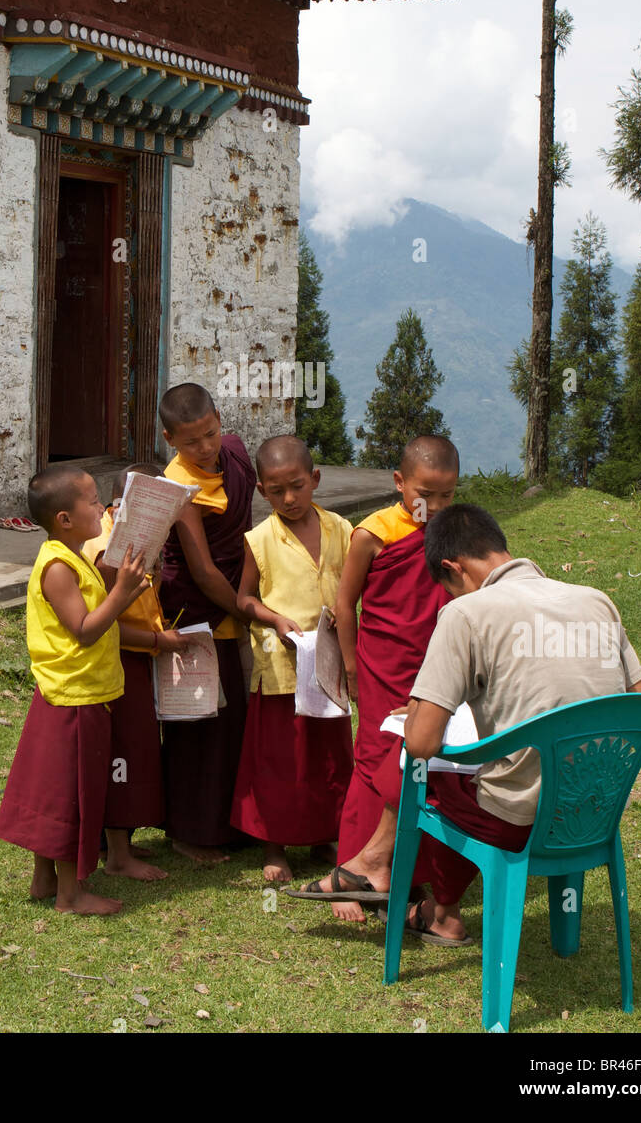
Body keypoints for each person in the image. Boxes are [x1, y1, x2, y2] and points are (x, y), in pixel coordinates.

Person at [290, 504, 641, 946]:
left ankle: (395, 880)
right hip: (597, 811)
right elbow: (639, 701)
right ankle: (421, 900)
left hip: (522, 823)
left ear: (451, 568)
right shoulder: (596, 600)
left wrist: (422, 714)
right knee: (471, 768)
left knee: (417, 769)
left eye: (448, 589)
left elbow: (421, 744)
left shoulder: (468, 613)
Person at [0, 465, 148, 915]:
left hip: (74, 693)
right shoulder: (59, 567)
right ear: (64, 518)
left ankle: (44, 879)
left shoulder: (74, 555)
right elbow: (82, 630)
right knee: (70, 796)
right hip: (73, 696)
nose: (101, 506)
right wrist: (122, 594)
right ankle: (70, 895)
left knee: (56, 789)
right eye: (93, 500)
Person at [326, 436, 459, 920]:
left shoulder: (455, 532)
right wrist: (351, 667)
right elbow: (345, 604)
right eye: (426, 493)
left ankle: (405, 874)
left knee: (425, 765)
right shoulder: (374, 532)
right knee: (374, 761)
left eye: (447, 495)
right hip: (382, 664)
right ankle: (350, 870)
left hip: (436, 667)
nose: (436, 506)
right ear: (400, 482)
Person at [229, 435, 355, 883]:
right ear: (262, 491)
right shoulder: (260, 539)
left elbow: (355, 591)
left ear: (315, 479)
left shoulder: (342, 529)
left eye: (298, 486)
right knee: (280, 759)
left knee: (330, 756)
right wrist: (274, 619)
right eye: (277, 490)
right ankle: (275, 843)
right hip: (281, 666)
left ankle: (325, 835)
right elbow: (243, 599)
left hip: (328, 664)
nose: (289, 498)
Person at [157, 382, 256, 863]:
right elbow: (201, 568)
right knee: (198, 720)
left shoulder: (235, 454)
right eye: (191, 441)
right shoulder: (177, 485)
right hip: (195, 606)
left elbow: (247, 528)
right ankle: (189, 832)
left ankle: (231, 822)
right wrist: (248, 609)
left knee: (234, 718)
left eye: (211, 434)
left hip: (237, 589)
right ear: (169, 439)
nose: (205, 447)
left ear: (220, 421)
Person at [83, 463, 191, 883]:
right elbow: (104, 621)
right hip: (118, 663)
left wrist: (158, 581)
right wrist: (157, 643)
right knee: (123, 753)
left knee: (138, 749)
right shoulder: (106, 548)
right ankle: (117, 854)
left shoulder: (140, 543)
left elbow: (141, 606)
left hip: (138, 661)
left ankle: (116, 840)